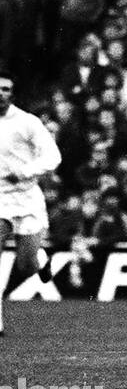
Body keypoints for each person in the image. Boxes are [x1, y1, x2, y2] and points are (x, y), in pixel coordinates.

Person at [0, 70, 60, 334]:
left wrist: (24, 172)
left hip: (26, 197)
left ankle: (41, 260)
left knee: (26, 265)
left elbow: (53, 157)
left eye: (5, 89)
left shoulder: (27, 122)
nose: (0, 94)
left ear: (12, 93)